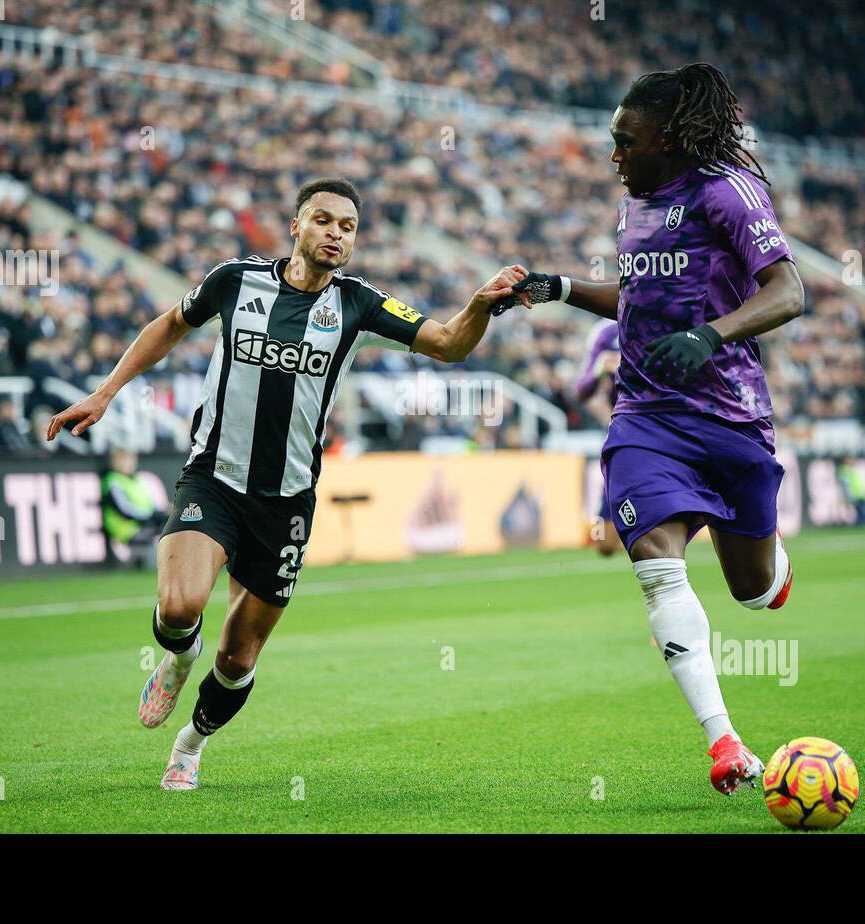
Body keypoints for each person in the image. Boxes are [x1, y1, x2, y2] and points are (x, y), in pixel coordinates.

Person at [47, 177, 526, 790]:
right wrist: (106, 391)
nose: (335, 233)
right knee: (179, 607)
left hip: (287, 501)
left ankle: (190, 744)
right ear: (295, 226)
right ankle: (177, 655)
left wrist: (481, 306)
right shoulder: (234, 280)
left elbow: (449, 344)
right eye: (323, 220)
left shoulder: (358, 302)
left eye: (347, 226)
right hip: (213, 478)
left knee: (238, 657)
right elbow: (171, 323)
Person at [496, 63, 805, 795]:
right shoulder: (633, 206)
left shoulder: (727, 192)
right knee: (656, 565)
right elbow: (638, 301)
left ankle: (770, 561)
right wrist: (562, 288)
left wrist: (712, 335)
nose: (614, 156)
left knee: (755, 593)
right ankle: (724, 742)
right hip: (645, 417)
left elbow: (789, 291)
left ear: (667, 139)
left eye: (624, 141)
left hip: (730, 420)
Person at [573, 319, 621, 555]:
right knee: (606, 546)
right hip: (625, 428)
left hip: (668, 424)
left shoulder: (667, 314)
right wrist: (599, 369)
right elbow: (581, 389)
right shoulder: (606, 331)